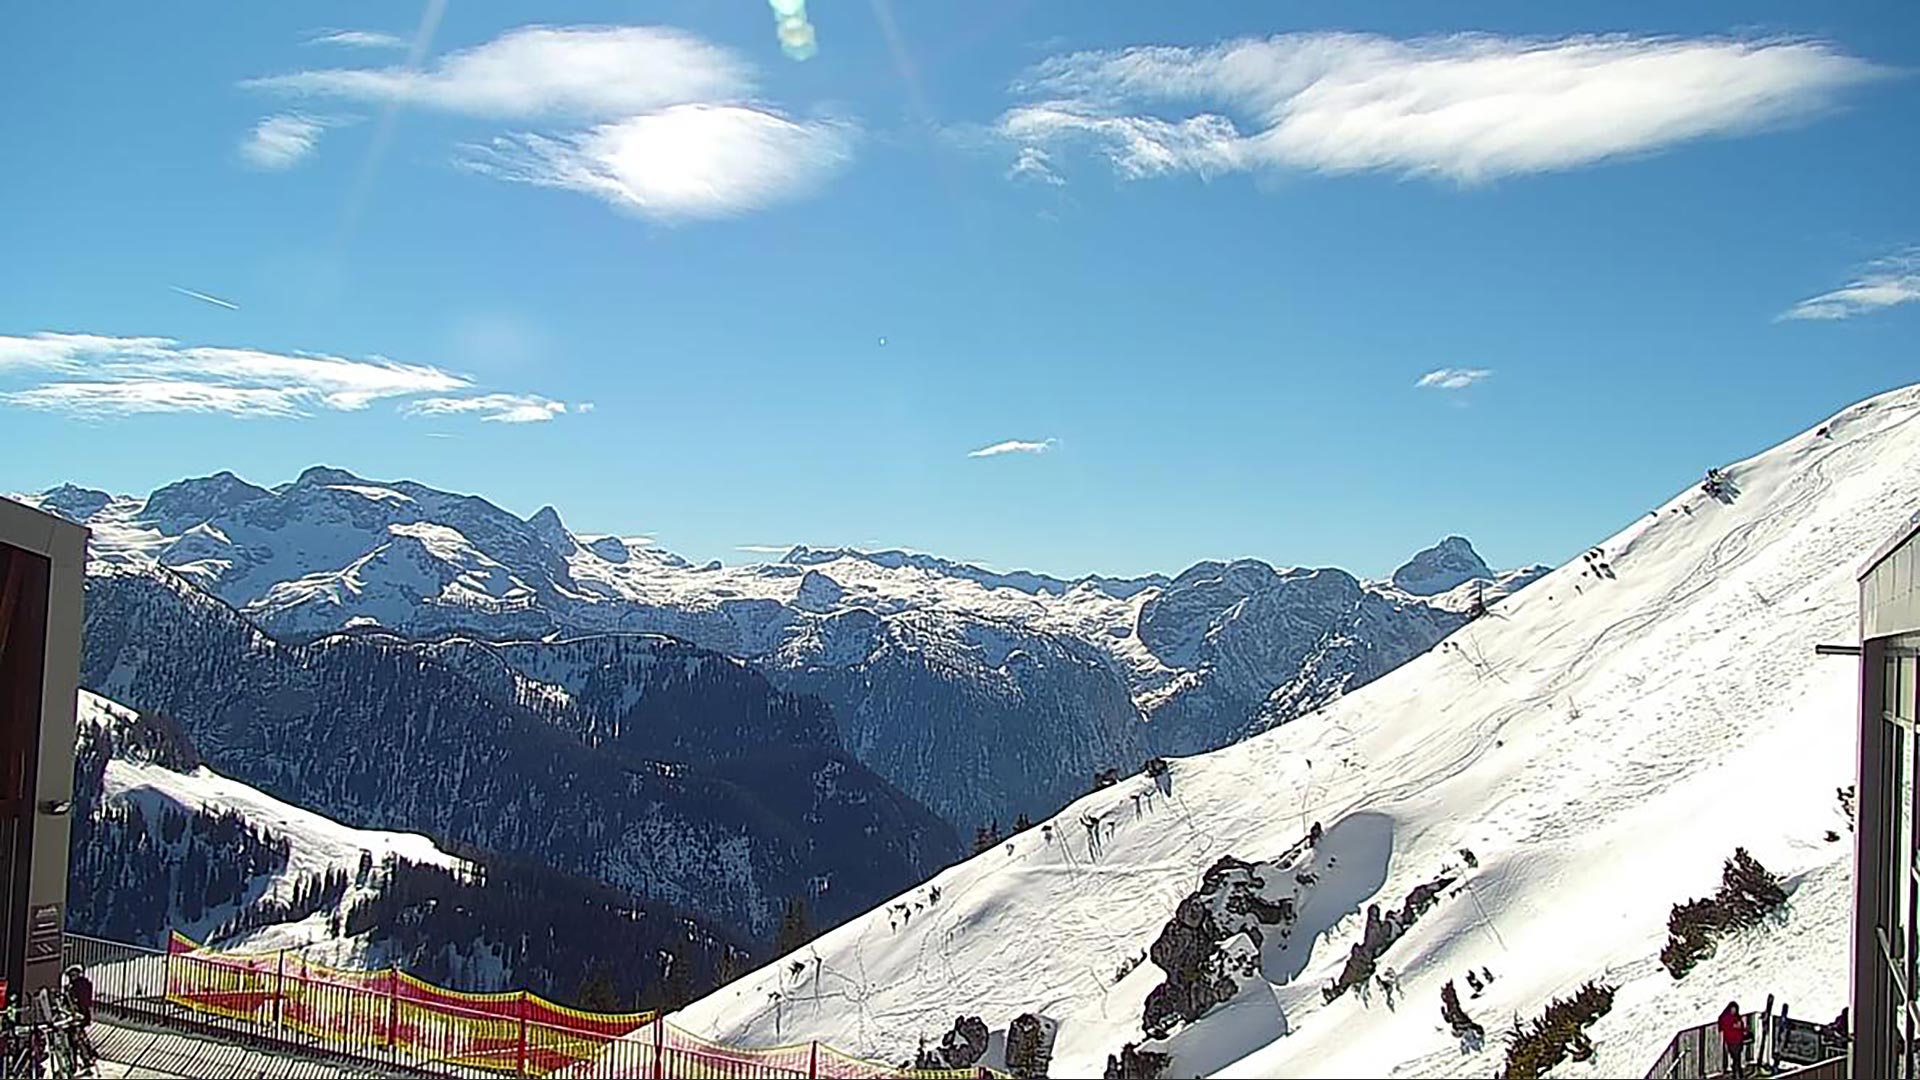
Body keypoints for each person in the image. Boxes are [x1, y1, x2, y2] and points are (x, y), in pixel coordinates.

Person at [1719, 1001, 1749, 1079]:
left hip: (1738, 1040)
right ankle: (1737, 1074)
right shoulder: (1726, 1018)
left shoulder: (1737, 1017)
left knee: (1737, 1058)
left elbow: (1741, 1027)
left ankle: (1737, 1073)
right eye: (1732, 1009)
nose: (1734, 1011)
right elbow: (1725, 1026)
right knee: (1736, 1058)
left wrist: (1744, 1032)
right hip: (1731, 1041)